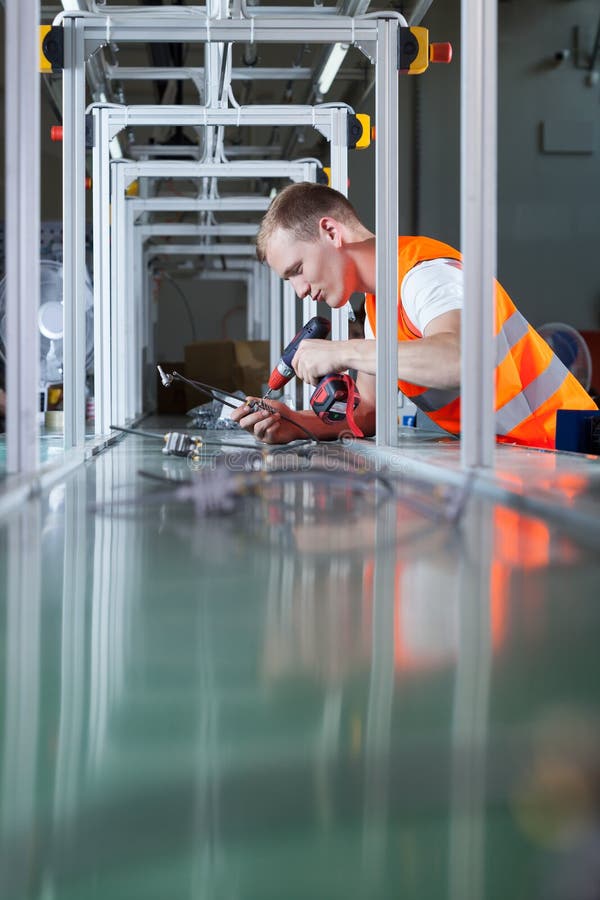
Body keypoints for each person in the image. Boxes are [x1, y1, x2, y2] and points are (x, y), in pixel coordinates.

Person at [231, 182, 597, 446]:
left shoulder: (426, 273)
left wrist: (341, 351)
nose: (301, 291)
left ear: (330, 231)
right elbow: (368, 412)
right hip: (516, 453)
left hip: (565, 447)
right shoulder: (378, 306)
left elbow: (462, 358)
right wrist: (295, 422)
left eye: (297, 269)